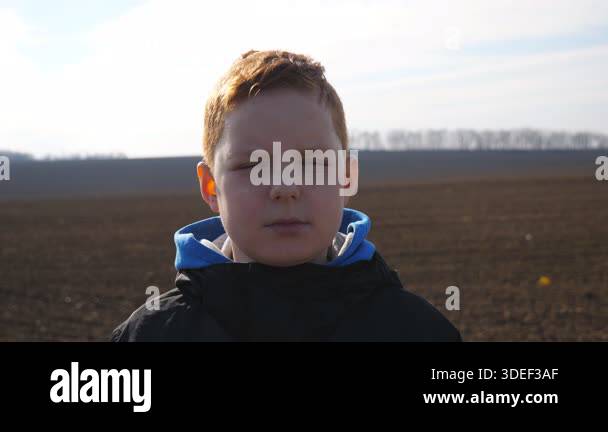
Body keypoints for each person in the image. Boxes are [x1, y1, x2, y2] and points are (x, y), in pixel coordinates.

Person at [111, 49, 461, 341]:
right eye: (251, 165)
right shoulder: (151, 336)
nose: (284, 187)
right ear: (211, 187)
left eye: (311, 162)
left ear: (345, 176)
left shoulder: (416, 332)